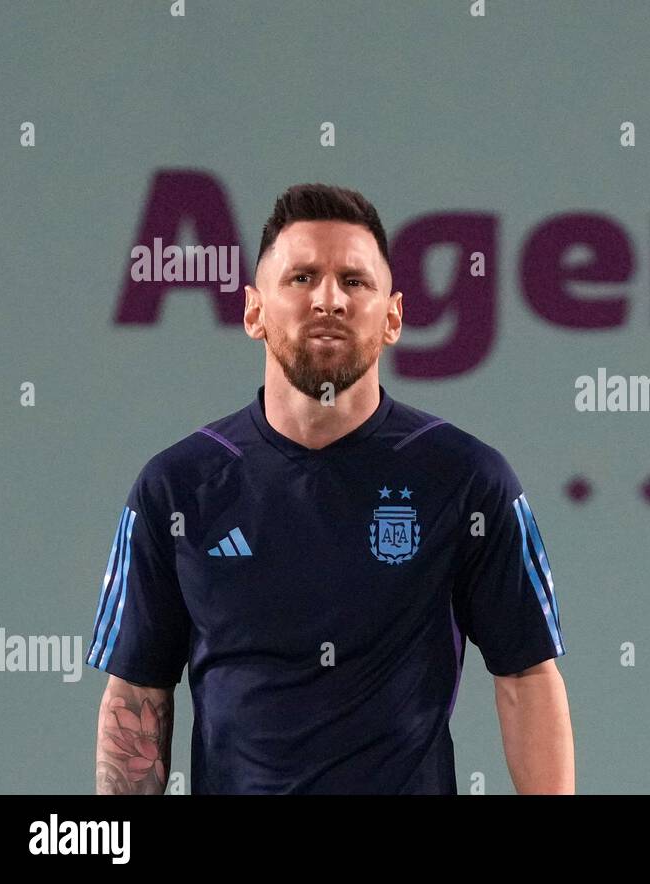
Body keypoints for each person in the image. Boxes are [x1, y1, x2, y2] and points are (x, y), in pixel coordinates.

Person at [87, 183, 572, 794]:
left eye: (354, 281)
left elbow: (526, 680)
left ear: (392, 317)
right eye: (301, 278)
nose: (328, 299)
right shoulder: (176, 488)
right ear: (253, 311)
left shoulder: (469, 480)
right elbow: (137, 694)